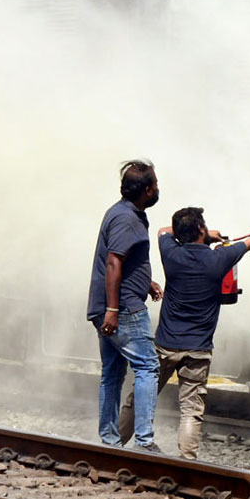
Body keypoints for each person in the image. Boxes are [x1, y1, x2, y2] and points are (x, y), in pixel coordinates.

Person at [120, 208, 250, 458]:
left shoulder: (171, 253)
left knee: (139, 396)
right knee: (191, 409)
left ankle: (114, 444)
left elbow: (162, 231)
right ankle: (188, 459)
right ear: (200, 229)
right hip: (199, 349)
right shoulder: (219, 258)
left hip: (165, 346)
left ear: (180, 234)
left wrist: (205, 235)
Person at [86, 161, 164, 452]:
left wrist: (147, 282)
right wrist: (114, 310)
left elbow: (124, 259)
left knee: (113, 372)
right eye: (155, 184)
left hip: (117, 303)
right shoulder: (127, 219)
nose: (158, 189)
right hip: (125, 308)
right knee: (147, 366)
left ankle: (109, 440)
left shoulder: (123, 212)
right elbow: (113, 262)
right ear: (146, 190)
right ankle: (144, 442)